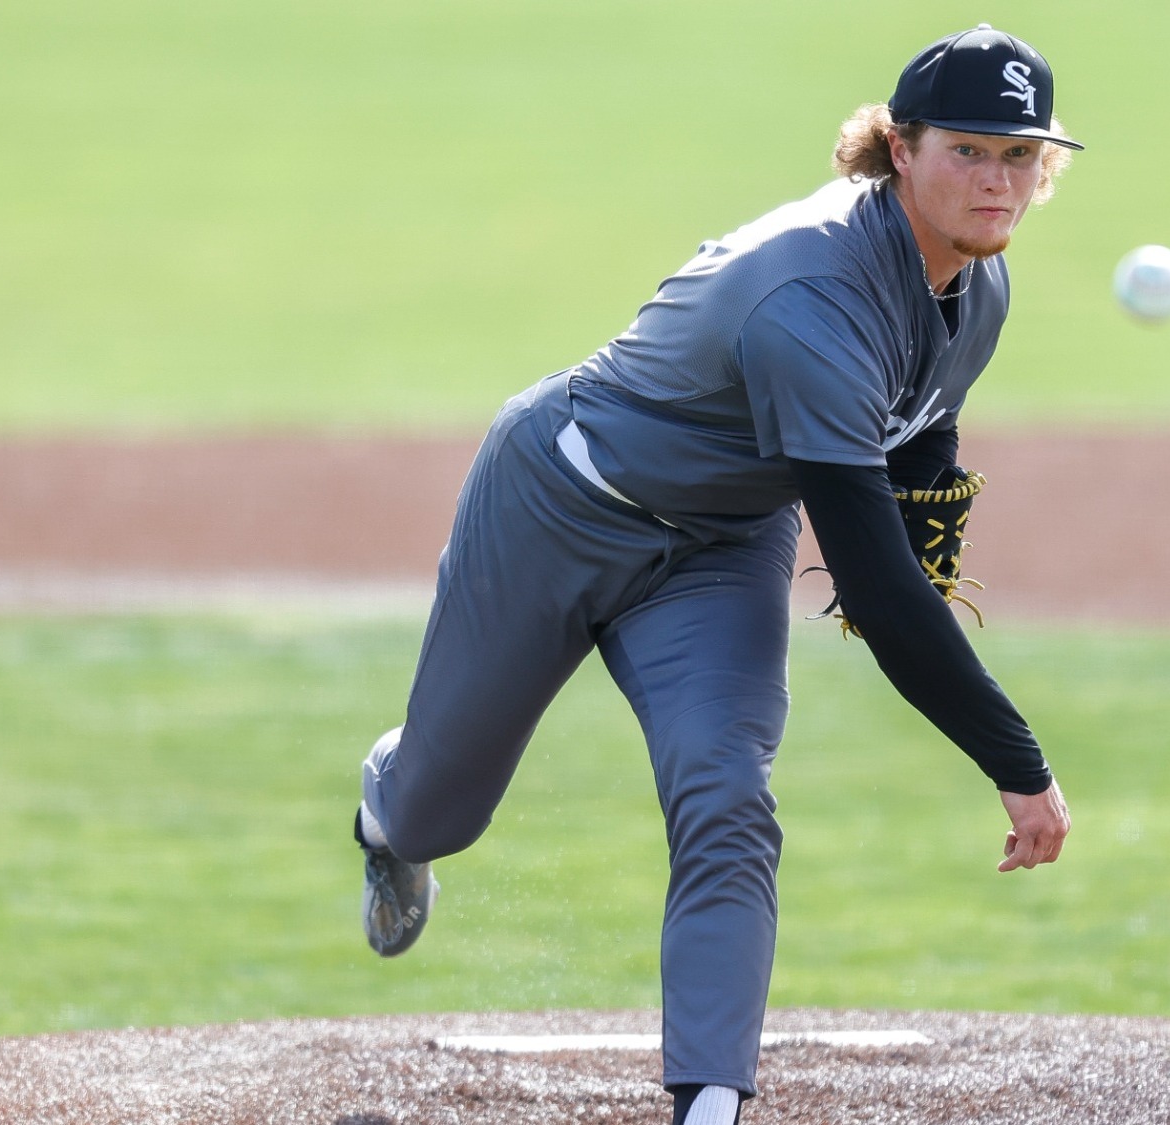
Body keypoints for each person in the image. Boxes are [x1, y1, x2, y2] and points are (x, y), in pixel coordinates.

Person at [351, 25, 1079, 1125]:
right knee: (435, 814)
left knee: (727, 797)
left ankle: (709, 1106)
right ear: (897, 145)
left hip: (721, 548)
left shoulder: (976, 287)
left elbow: (919, 427)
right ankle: (385, 812)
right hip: (556, 503)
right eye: (968, 150)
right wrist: (1014, 761)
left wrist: (929, 533)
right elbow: (879, 593)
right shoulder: (810, 300)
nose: (996, 181)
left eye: (1018, 156)